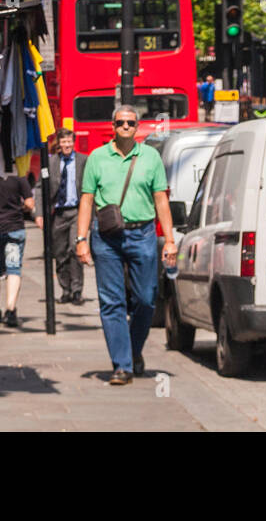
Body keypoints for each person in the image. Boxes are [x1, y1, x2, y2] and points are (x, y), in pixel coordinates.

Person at [76, 105, 175, 385]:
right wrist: (81, 239)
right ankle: (122, 365)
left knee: (146, 299)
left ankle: (131, 351)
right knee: (111, 302)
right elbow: (86, 200)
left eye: (131, 123)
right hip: (106, 236)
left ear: (138, 126)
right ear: (113, 125)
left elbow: (161, 200)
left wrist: (169, 240)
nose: (126, 127)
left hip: (142, 233)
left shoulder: (150, 157)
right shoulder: (97, 158)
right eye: (121, 123)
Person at [0, 171, 37, 327]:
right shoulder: (19, 179)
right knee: (13, 269)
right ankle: (10, 310)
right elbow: (30, 204)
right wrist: (20, 207)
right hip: (14, 227)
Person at [47, 128, 88, 305]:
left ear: (74, 142)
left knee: (74, 249)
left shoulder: (83, 161)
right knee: (60, 253)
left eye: (69, 142)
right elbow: (43, 188)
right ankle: (65, 289)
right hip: (58, 213)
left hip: (77, 212)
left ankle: (77, 290)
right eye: (63, 142)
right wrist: (40, 214)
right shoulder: (52, 162)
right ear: (59, 144)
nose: (67, 145)